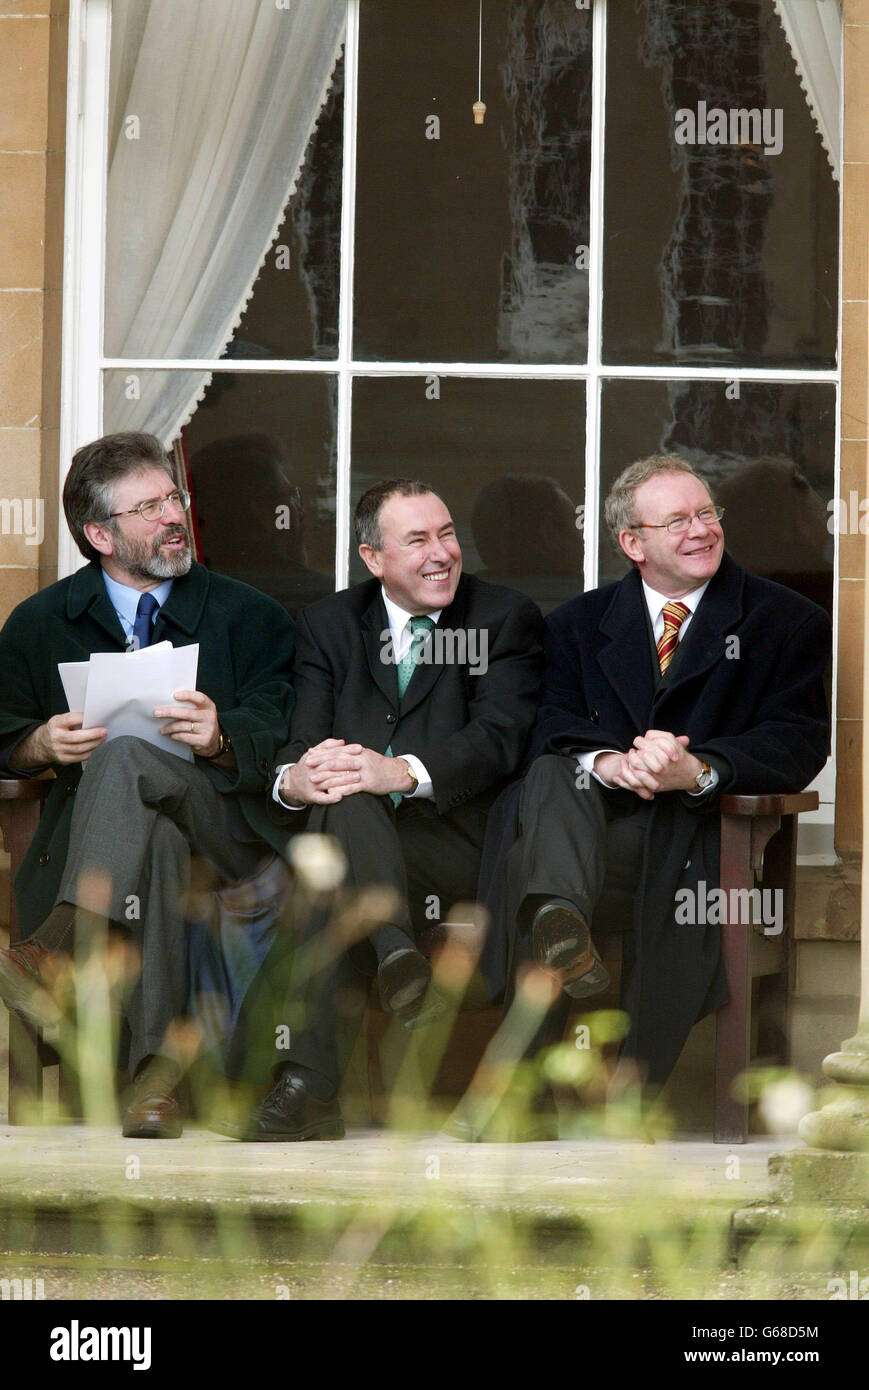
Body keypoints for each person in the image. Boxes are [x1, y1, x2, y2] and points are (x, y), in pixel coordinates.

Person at [480, 453, 831, 1104]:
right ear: (632, 543)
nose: (701, 530)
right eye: (677, 521)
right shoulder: (574, 625)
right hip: (593, 846)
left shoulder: (785, 623)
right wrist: (609, 763)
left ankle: (524, 1089)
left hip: (693, 844)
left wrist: (695, 771)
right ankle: (558, 918)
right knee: (555, 771)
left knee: (532, 856)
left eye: (706, 513)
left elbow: (797, 739)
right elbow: (545, 725)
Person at [225, 478, 544, 1141]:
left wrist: (398, 771)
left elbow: (497, 739)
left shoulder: (501, 618)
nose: (442, 553)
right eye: (418, 539)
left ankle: (309, 1088)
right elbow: (301, 742)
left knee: (334, 860)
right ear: (373, 559)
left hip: (458, 844)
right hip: (360, 842)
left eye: (448, 534)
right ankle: (394, 951)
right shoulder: (329, 624)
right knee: (340, 806)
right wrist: (297, 778)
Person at [0, 432, 295, 1139]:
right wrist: (38, 742)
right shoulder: (40, 622)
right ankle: (154, 1083)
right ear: (100, 534)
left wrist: (222, 737)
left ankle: (51, 947)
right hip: (102, 847)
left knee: (129, 753)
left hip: (227, 827)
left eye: (173, 497)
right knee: (154, 840)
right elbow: (3, 727)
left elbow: (287, 718)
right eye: (149, 507)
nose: (173, 516)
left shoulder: (250, 613)